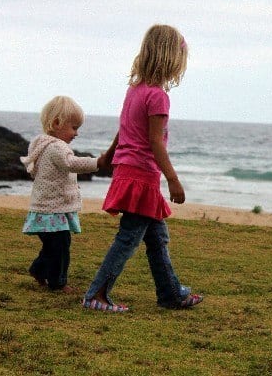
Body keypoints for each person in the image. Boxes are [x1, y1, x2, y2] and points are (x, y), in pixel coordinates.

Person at [82, 24, 203, 312]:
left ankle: (171, 294)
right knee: (128, 238)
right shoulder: (158, 96)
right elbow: (155, 142)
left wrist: (109, 156)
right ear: (171, 59)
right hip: (141, 175)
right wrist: (173, 179)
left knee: (157, 237)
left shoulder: (135, 91)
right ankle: (95, 295)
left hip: (128, 170)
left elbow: (123, 130)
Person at [21, 96, 105, 293]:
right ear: (57, 123)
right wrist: (97, 163)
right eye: (74, 127)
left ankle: (39, 269)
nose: (76, 133)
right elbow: (71, 163)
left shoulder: (42, 145)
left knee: (53, 245)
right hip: (52, 209)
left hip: (46, 208)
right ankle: (58, 282)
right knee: (60, 246)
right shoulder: (57, 147)